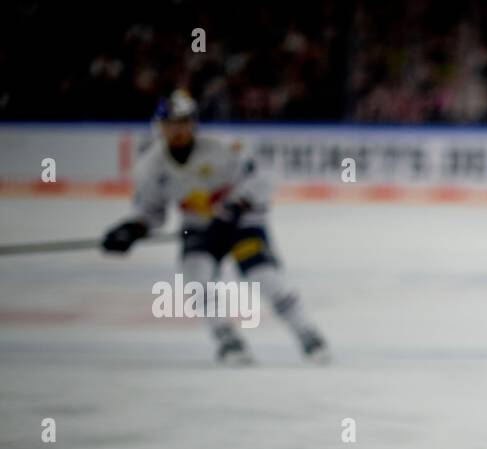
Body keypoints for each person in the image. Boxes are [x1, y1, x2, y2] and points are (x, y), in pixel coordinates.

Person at [101, 90, 328, 364]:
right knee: (197, 279)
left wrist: (237, 205)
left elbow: (264, 177)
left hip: (241, 225)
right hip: (198, 228)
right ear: (159, 126)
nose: (178, 130)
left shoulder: (223, 148)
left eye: (184, 122)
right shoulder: (150, 167)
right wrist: (132, 228)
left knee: (264, 278)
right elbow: (151, 213)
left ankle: (307, 333)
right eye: (171, 123)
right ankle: (226, 339)